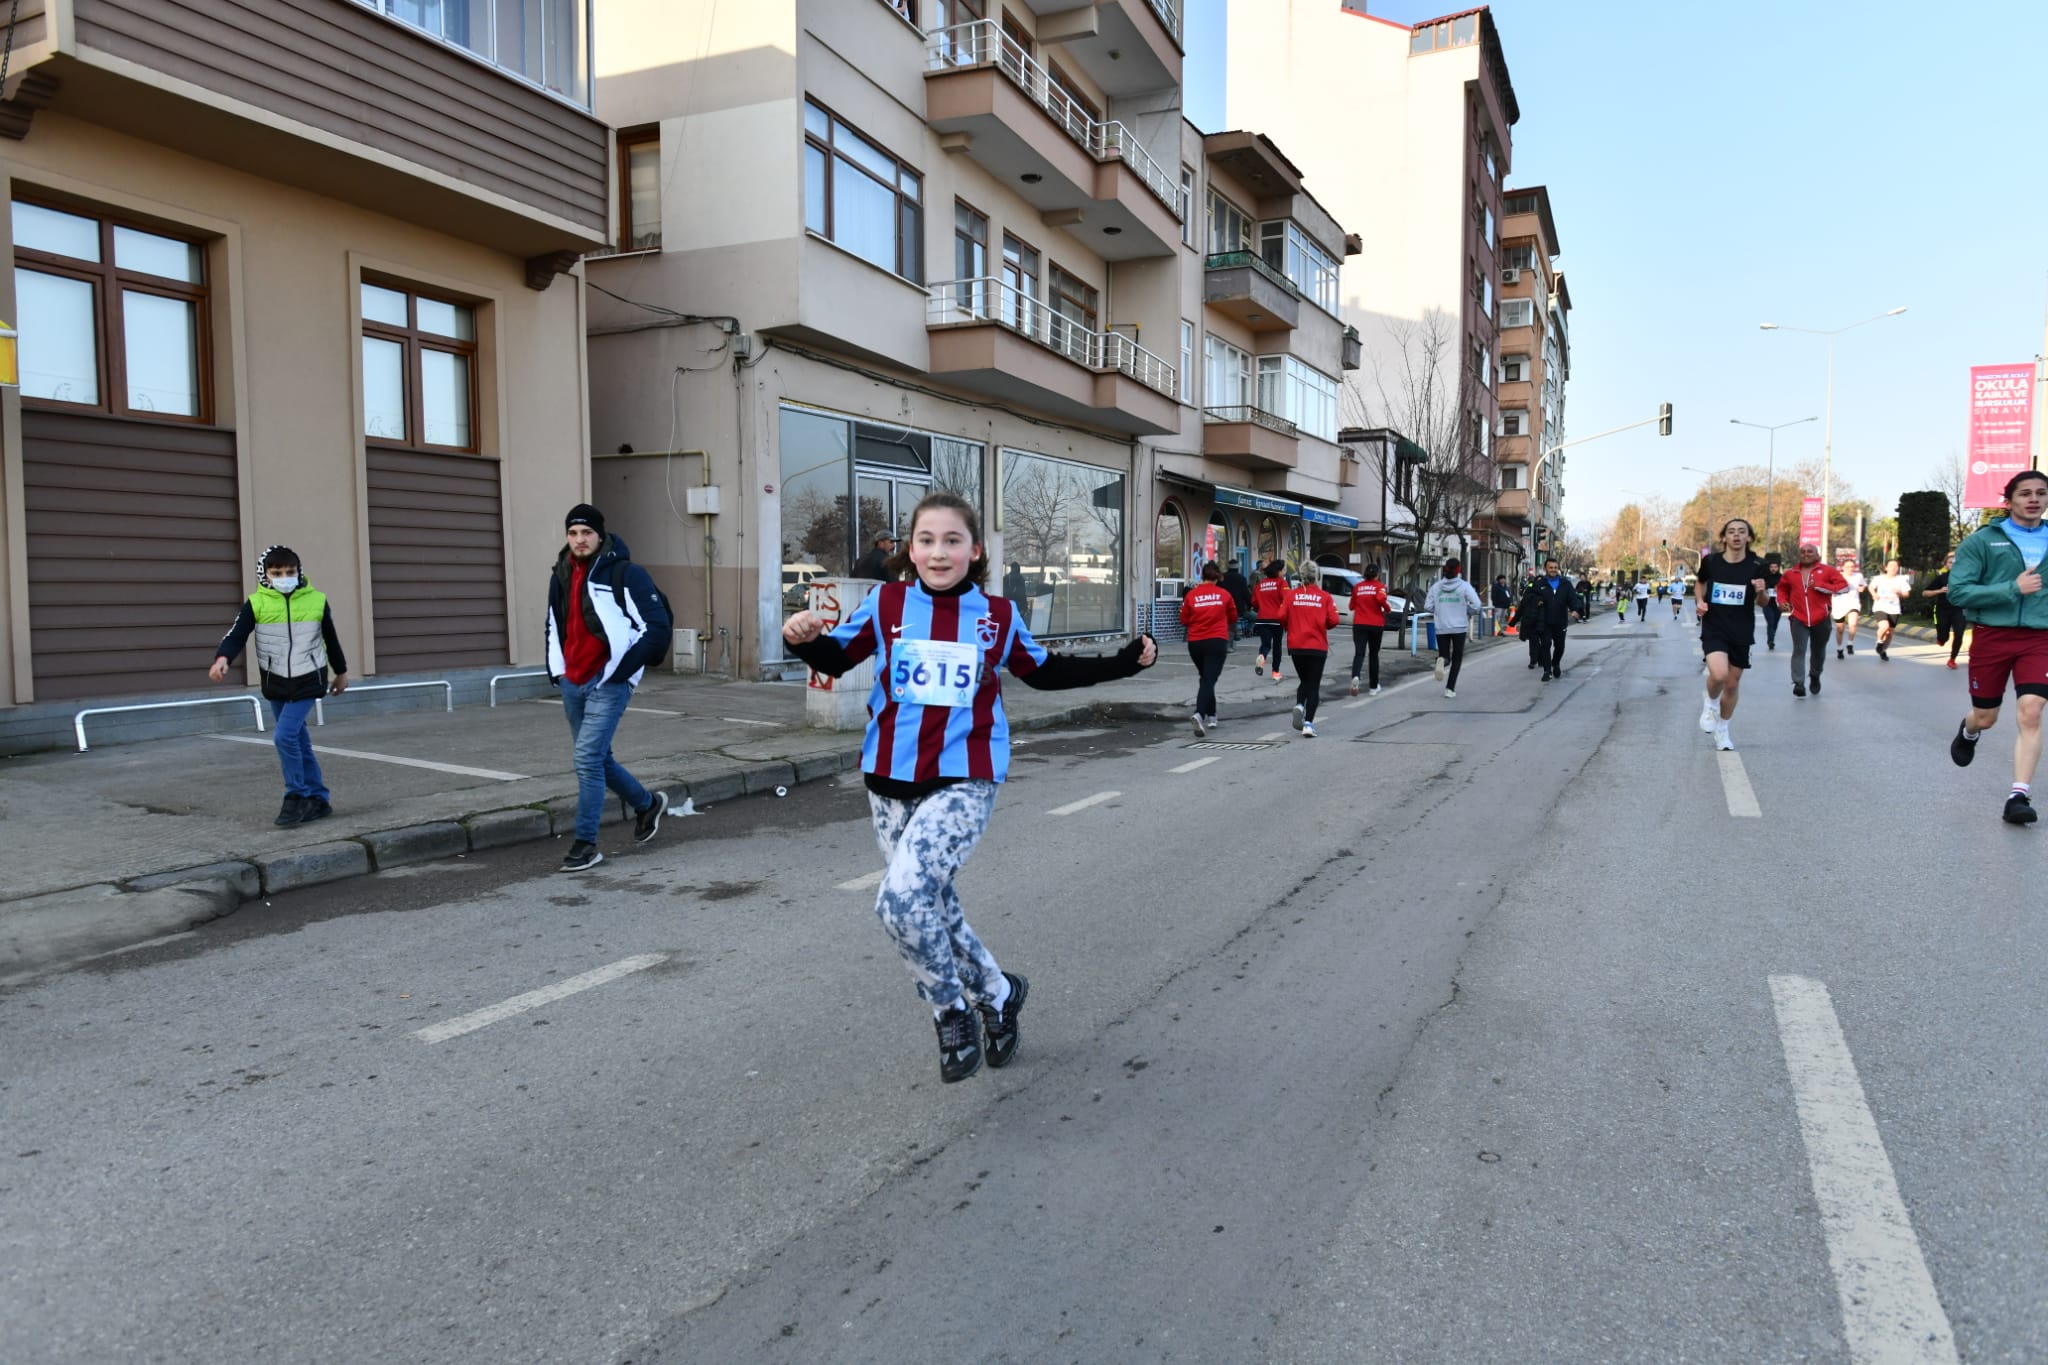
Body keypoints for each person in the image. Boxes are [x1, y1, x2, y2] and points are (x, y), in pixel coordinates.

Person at [782, 491, 1157, 1081]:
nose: (938, 552)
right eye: (926, 540)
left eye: (952, 540)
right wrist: (802, 638)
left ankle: (950, 1009)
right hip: (887, 779)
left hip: (965, 777)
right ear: (910, 549)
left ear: (975, 550)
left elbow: (1046, 672)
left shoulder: (997, 616)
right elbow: (834, 658)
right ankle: (999, 991)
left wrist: (1123, 661)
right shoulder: (886, 603)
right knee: (929, 903)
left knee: (901, 900)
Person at [545, 504, 674, 873]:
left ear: (600, 535)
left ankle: (585, 844)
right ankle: (647, 804)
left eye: (586, 533)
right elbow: (554, 623)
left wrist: (621, 673)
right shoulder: (561, 574)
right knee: (598, 757)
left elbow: (657, 628)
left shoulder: (626, 573)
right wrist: (556, 670)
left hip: (608, 681)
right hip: (573, 681)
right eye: (573, 533)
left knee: (586, 759)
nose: (579, 540)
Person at [210, 545, 349, 827]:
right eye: (277, 573)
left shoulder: (317, 601)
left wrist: (341, 672)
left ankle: (296, 796)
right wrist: (223, 658)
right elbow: (236, 635)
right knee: (298, 740)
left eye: (290, 571)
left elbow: (331, 640)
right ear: (266, 576)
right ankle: (318, 798)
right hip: (276, 682)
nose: (285, 577)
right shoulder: (256, 604)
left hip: (310, 678)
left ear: (299, 572)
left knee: (283, 737)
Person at [1944, 470, 2048, 825]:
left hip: (2040, 636)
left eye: (2041, 493)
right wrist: (2012, 588)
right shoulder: (1982, 541)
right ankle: (1969, 730)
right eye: (2025, 493)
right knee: (1987, 717)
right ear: (2009, 501)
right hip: (1992, 635)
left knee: (2032, 710)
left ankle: (2018, 795)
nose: (2033, 499)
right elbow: (1958, 592)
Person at [1695, 518, 1769, 751]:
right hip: (1715, 625)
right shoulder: (1712, 562)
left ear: (1749, 537)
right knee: (1718, 674)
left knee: (1732, 685)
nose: (1736, 536)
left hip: (1741, 628)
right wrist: (1699, 601)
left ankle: (1723, 730)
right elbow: (1700, 583)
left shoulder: (1758, 564)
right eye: (1731, 532)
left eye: (1742, 532)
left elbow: (1764, 603)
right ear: (1724, 537)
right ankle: (1710, 704)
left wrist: (1761, 591)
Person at [1775, 543, 1848, 698]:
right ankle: (1799, 683)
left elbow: (1844, 587)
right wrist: (1782, 602)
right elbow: (1782, 589)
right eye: (1802, 552)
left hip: (1821, 618)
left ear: (1817, 555)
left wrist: (1821, 586)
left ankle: (1815, 675)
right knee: (1799, 649)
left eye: (1810, 551)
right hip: (1798, 617)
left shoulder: (1828, 571)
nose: (1806, 554)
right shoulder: (1791, 573)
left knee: (1818, 650)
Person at [1179, 561, 1236, 736]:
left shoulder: (1192, 595)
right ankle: (1199, 714)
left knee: (1206, 677)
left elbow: (1184, 620)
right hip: (1216, 642)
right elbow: (1233, 616)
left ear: (1202, 576)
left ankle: (1212, 715)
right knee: (1209, 679)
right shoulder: (1224, 594)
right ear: (1217, 577)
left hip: (1195, 643)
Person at [1283, 569, 1340, 737]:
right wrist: (1324, 626)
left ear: (1301, 577)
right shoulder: (1325, 596)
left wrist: (1291, 626)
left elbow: (1281, 615)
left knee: (1305, 680)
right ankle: (1308, 724)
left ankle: (1300, 704)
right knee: (1313, 684)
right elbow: (1334, 620)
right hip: (1316, 645)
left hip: (1296, 645)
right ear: (1316, 577)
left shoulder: (1291, 595)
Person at [1429, 558, 1485, 698]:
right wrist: (1467, 610)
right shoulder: (1464, 586)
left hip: (1442, 626)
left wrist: (1440, 609)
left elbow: (1427, 606)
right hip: (1459, 626)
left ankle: (1441, 660)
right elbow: (1477, 604)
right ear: (1459, 570)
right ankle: (1450, 689)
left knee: (1444, 654)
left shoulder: (1436, 587)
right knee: (1457, 658)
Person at [1532, 558, 1581, 680]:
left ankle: (1556, 663)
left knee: (1560, 647)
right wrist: (1536, 602)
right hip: (1545, 621)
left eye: (1555, 567)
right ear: (1545, 569)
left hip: (1560, 621)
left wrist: (1575, 609)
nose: (1553, 570)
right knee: (1545, 646)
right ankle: (1547, 671)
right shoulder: (1539, 584)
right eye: (1551, 567)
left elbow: (1573, 599)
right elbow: (1531, 597)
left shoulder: (1565, 583)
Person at [1347, 563, 1390, 696]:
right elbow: (1380, 598)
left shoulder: (1357, 587)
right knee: (1373, 655)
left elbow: (1351, 606)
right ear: (1377, 575)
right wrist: (1387, 608)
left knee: (1359, 654)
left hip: (1359, 624)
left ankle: (1356, 676)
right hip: (1375, 625)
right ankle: (1373, 687)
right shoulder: (1380, 587)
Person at [1924, 550, 1969, 669]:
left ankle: (1952, 659)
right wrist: (1939, 590)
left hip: (1960, 610)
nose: (1953, 564)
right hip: (1942, 610)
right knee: (1944, 636)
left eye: (1956, 562)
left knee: (1959, 634)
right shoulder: (1941, 578)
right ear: (1946, 565)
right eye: (1950, 562)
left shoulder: (1966, 578)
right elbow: (1925, 593)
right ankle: (1941, 639)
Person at [1252, 560, 1289, 682]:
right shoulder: (1281, 583)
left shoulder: (1260, 584)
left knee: (1266, 644)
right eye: (1283, 570)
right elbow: (1287, 599)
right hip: (1277, 619)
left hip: (1262, 619)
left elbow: (1254, 602)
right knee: (1277, 646)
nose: (1284, 572)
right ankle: (1275, 672)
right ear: (1278, 571)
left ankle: (1262, 656)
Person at [1866, 558, 1910, 661]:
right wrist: (1874, 594)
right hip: (1880, 606)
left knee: (1889, 633)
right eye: (1891, 566)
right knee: (1884, 626)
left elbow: (1906, 594)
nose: (1893, 568)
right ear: (1886, 568)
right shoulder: (1879, 578)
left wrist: (1899, 592)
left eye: (1895, 566)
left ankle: (1883, 650)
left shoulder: (1901, 580)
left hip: (1894, 608)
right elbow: (1871, 587)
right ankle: (1879, 642)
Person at [1831, 554, 1866, 658]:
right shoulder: (1836, 576)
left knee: (1853, 624)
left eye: (1852, 566)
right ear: (1843, 567)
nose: (1850, 569)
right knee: (1840, 629)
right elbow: (1829, 588)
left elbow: (1862, 585)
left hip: (1853, 602)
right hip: (1839, 604)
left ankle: (1850, 644)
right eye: (1847, 566)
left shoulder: (1858, 576)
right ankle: (1839, 648)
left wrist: (1861, 589)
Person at [1514, 571, 1548, 671]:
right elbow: (1521, 608)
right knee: (1534, 642)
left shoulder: (1548, 594)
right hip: (1532, 622)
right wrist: (1513, 621)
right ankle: (1533, 660)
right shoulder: (1528, 594)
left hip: (1544, 623)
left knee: (1544, 643)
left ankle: (1541, 660)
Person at [1219, 560, 1253, 639]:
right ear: (1238, 568)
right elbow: (1246, 593)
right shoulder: (1241, 578)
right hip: (1239, 608)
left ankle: (1233, 633)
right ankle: (1248, 630)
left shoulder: (1222, 578)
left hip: (1224, 606)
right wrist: (1250, 605)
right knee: (1255, 617)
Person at [1760, 554, 1784, 651]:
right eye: (1771, 567)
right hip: (1767, 603)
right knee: (1770, 621)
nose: (1773, 569)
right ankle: (1770, 641)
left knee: (1775, 623)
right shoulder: (1764, 577)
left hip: (1778, 604)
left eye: (1775, 567)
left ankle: (1771, 636)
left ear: (1778, 568)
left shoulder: (1782, 578)